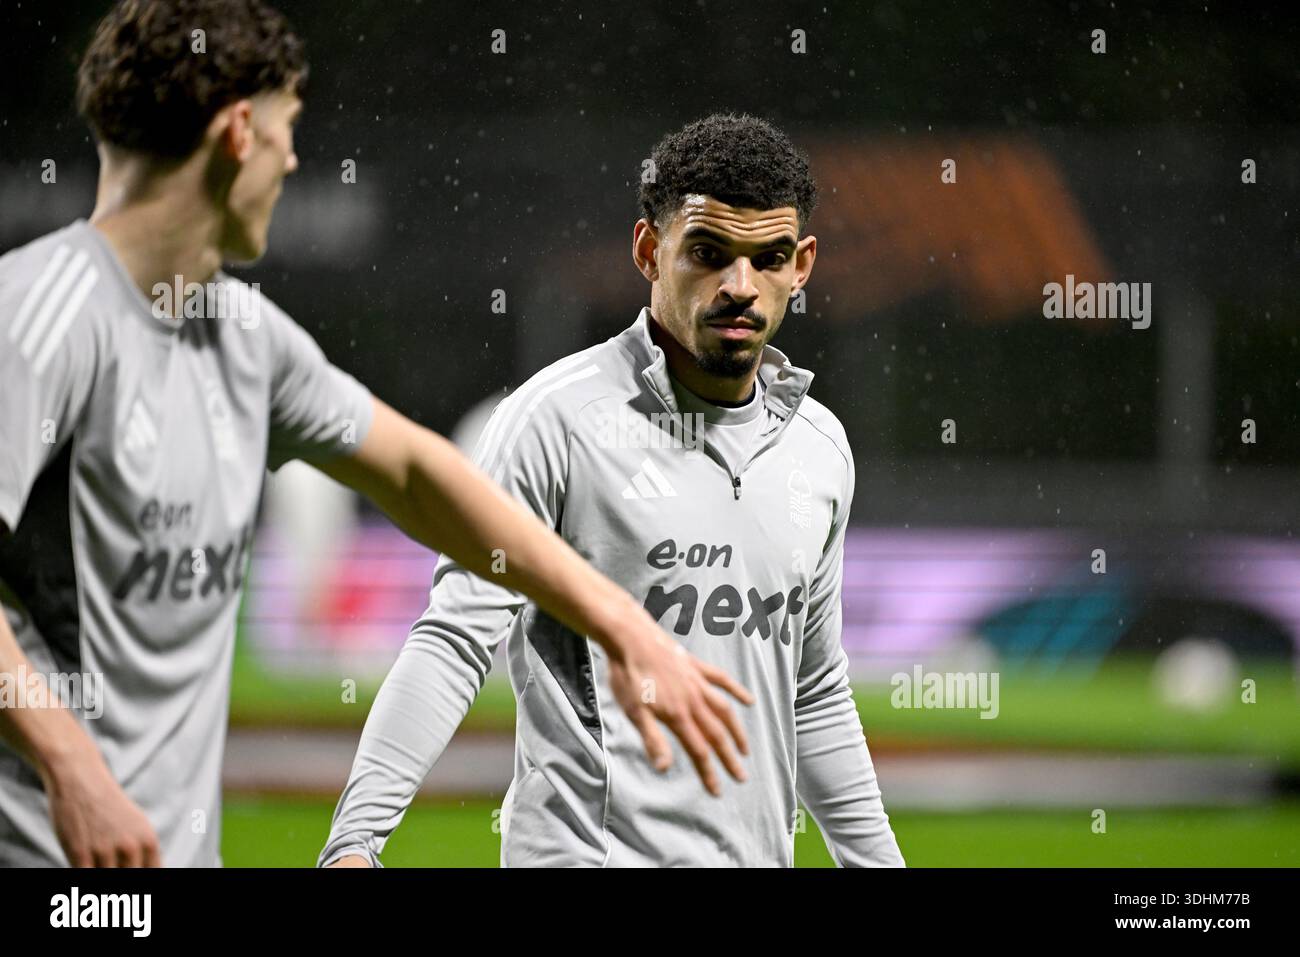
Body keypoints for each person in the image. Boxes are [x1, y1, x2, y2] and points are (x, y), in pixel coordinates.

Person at [0, 0, 751, 868]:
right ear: (238, 132)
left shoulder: (245, 336)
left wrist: (619, 622)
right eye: (287, 129)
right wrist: (70, 766)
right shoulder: (36, 319)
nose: (292, 158)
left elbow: (416, 475)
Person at [321, 113, 905, 867]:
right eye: (708, 252)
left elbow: (816, 690)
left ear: (804, 265)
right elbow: (457, 637)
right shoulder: (555, 420)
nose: (740, 286)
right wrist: (355, 841)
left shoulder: (819, 448)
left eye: (769, 258)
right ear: (647, 250)